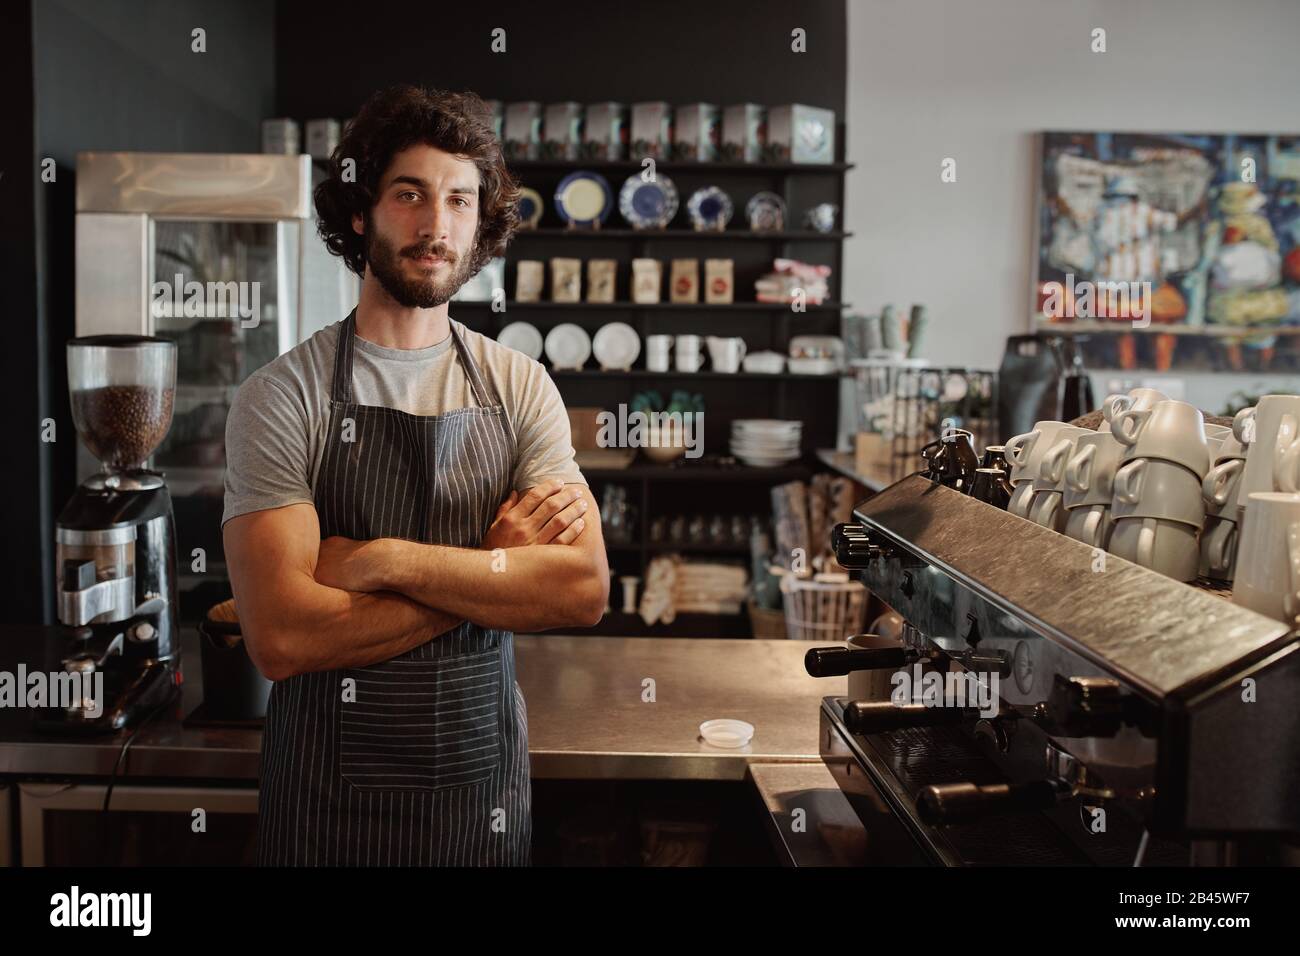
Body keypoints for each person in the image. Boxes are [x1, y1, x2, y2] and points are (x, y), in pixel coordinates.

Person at [221, 84, 609, 866]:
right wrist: (488, 575)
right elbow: (284, 639)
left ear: (481, 222)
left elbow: (581, 589)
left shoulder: (518, 384)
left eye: (461, 201)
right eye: (411, 195)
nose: (437, 227)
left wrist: (379, 561)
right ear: (361, 211)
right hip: (324, 813)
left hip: (480, 804)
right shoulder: (280, 396)